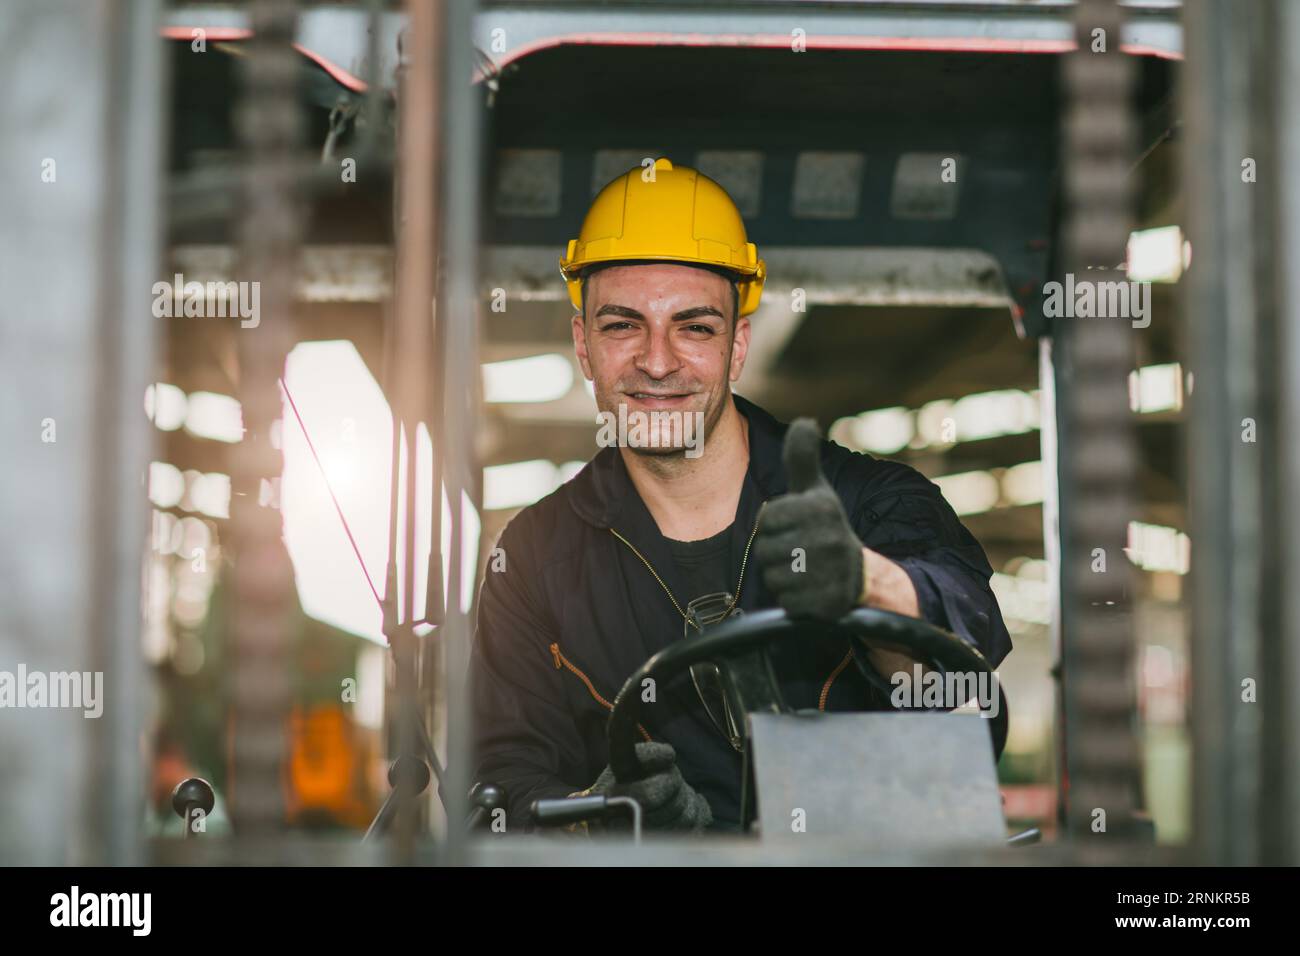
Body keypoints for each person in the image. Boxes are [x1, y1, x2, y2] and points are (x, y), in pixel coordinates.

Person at [470, 158, 1011, 833]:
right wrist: (601, 815)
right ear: (583, 345)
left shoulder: (872, 502)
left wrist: (867, 581)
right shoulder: (531, 560)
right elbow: (499, 785)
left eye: (695, 327)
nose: (659, 361)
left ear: (737, 346)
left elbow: (970, 633)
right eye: (622, 325)